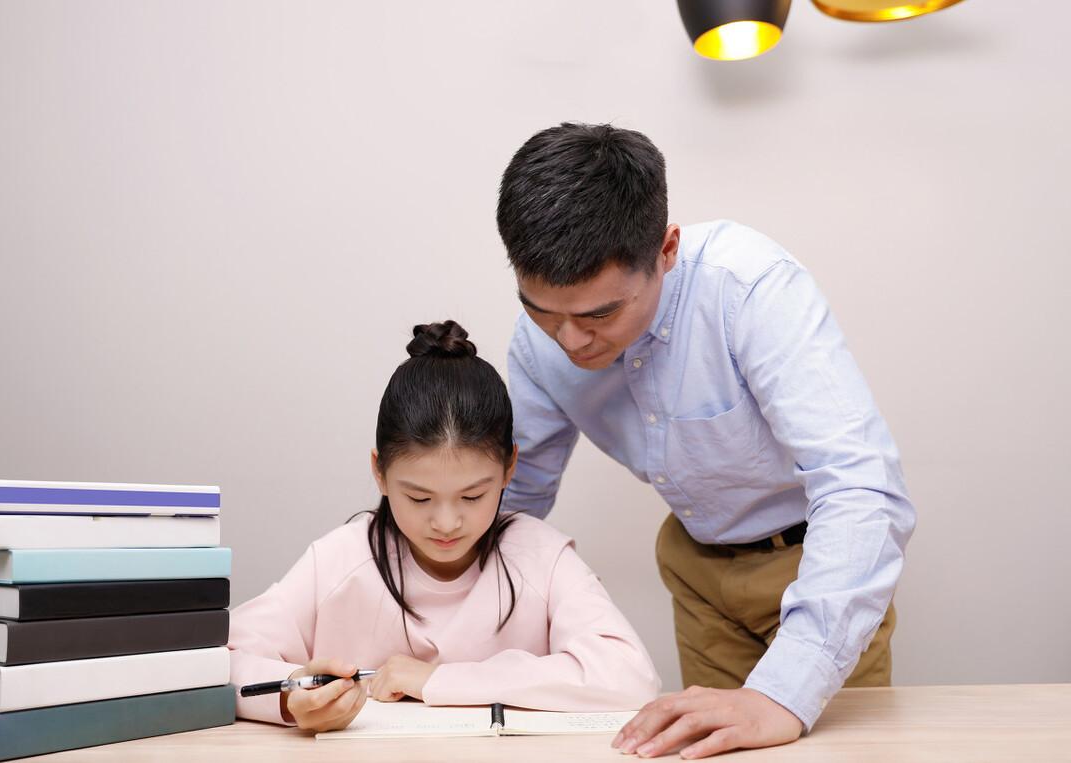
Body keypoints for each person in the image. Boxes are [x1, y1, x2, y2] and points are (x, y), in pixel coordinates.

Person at [495, 123, 916, 758]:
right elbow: (513, 501)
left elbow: (863, 487)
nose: (570, 341)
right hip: (696, 568)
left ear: (665, 250)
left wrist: (784, 694)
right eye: (543, 311)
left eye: (600, 314)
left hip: (814, 562)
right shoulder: (537, 345)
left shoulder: (749, 287)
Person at [227, 320, 660, 732]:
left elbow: (631, 675)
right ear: (379, 472)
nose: (447, 523)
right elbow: (217, 661)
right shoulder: (338, 561)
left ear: (510, 467)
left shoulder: (542, 559)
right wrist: (290, 697)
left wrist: (439, 681)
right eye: (419, 498)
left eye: (473, 497)